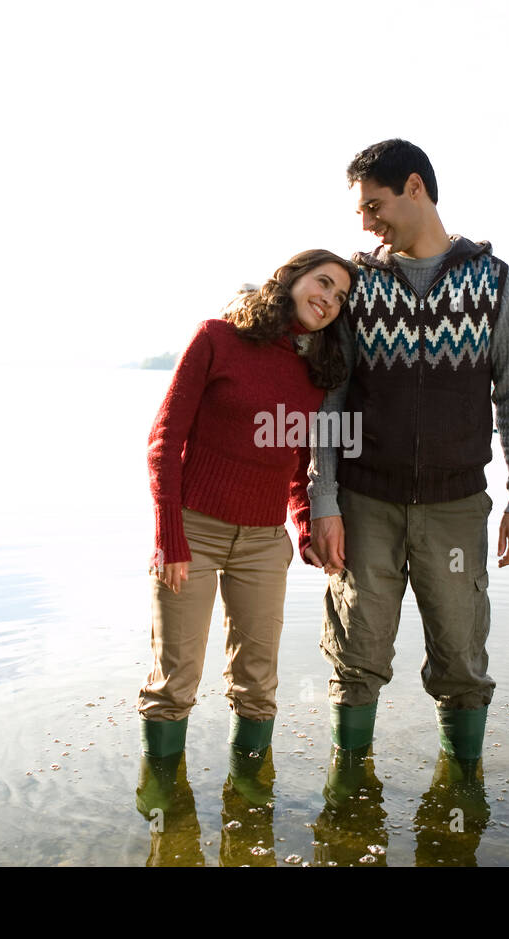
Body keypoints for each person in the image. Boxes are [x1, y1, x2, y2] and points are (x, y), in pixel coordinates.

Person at [306, 139, 509, 767]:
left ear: (414, 187)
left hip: (457, 507)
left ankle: (461, 796)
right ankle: (347, 801)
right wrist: (322, 498)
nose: (365, 221)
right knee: (356, 660)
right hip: (364, 505)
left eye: (373, 204)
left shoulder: (492, 280)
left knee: (462, 662)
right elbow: (331, 400)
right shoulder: (357, 286)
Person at [139, 249, 357, 768]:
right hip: (193, 532)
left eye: (340, 296)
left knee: (258, 685)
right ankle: (166, 813)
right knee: (175, 683)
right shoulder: (216, 338)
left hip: (262, 542)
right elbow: (164, 441)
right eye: (322, 283)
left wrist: (305, 530)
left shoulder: (316, 372)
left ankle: (251, 802)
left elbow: (300, 465)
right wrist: (170, 536)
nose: (328, 299)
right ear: (290, 279)